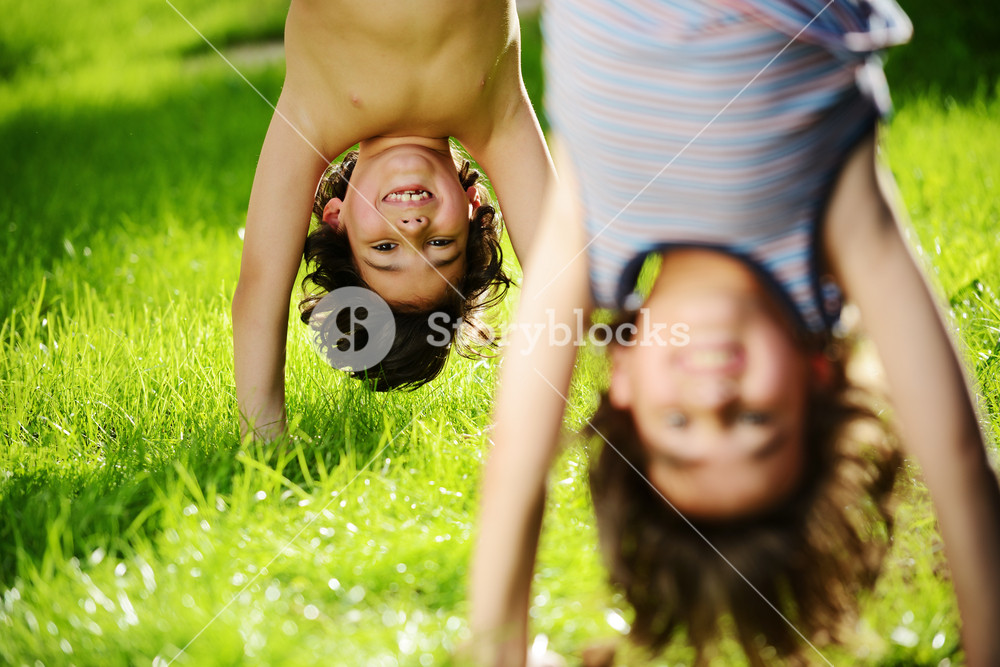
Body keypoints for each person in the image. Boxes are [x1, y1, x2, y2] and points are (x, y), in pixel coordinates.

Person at [470, 0, 1000, 665]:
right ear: (817, 378)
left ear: (625, 376)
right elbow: (956, 456)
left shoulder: (590, 232)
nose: (713, 397)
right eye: (753, 419)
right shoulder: (831, 215)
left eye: (679, 425)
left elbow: (517, 465)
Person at [233, 0, 554, 440]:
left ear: (337, 219)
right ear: (473, 206)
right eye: (440, 245)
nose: (413, 229)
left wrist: (263, 443)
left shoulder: (314, 114)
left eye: (384, 249)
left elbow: (260, 286)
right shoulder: (497, 117)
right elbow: (562, 274)